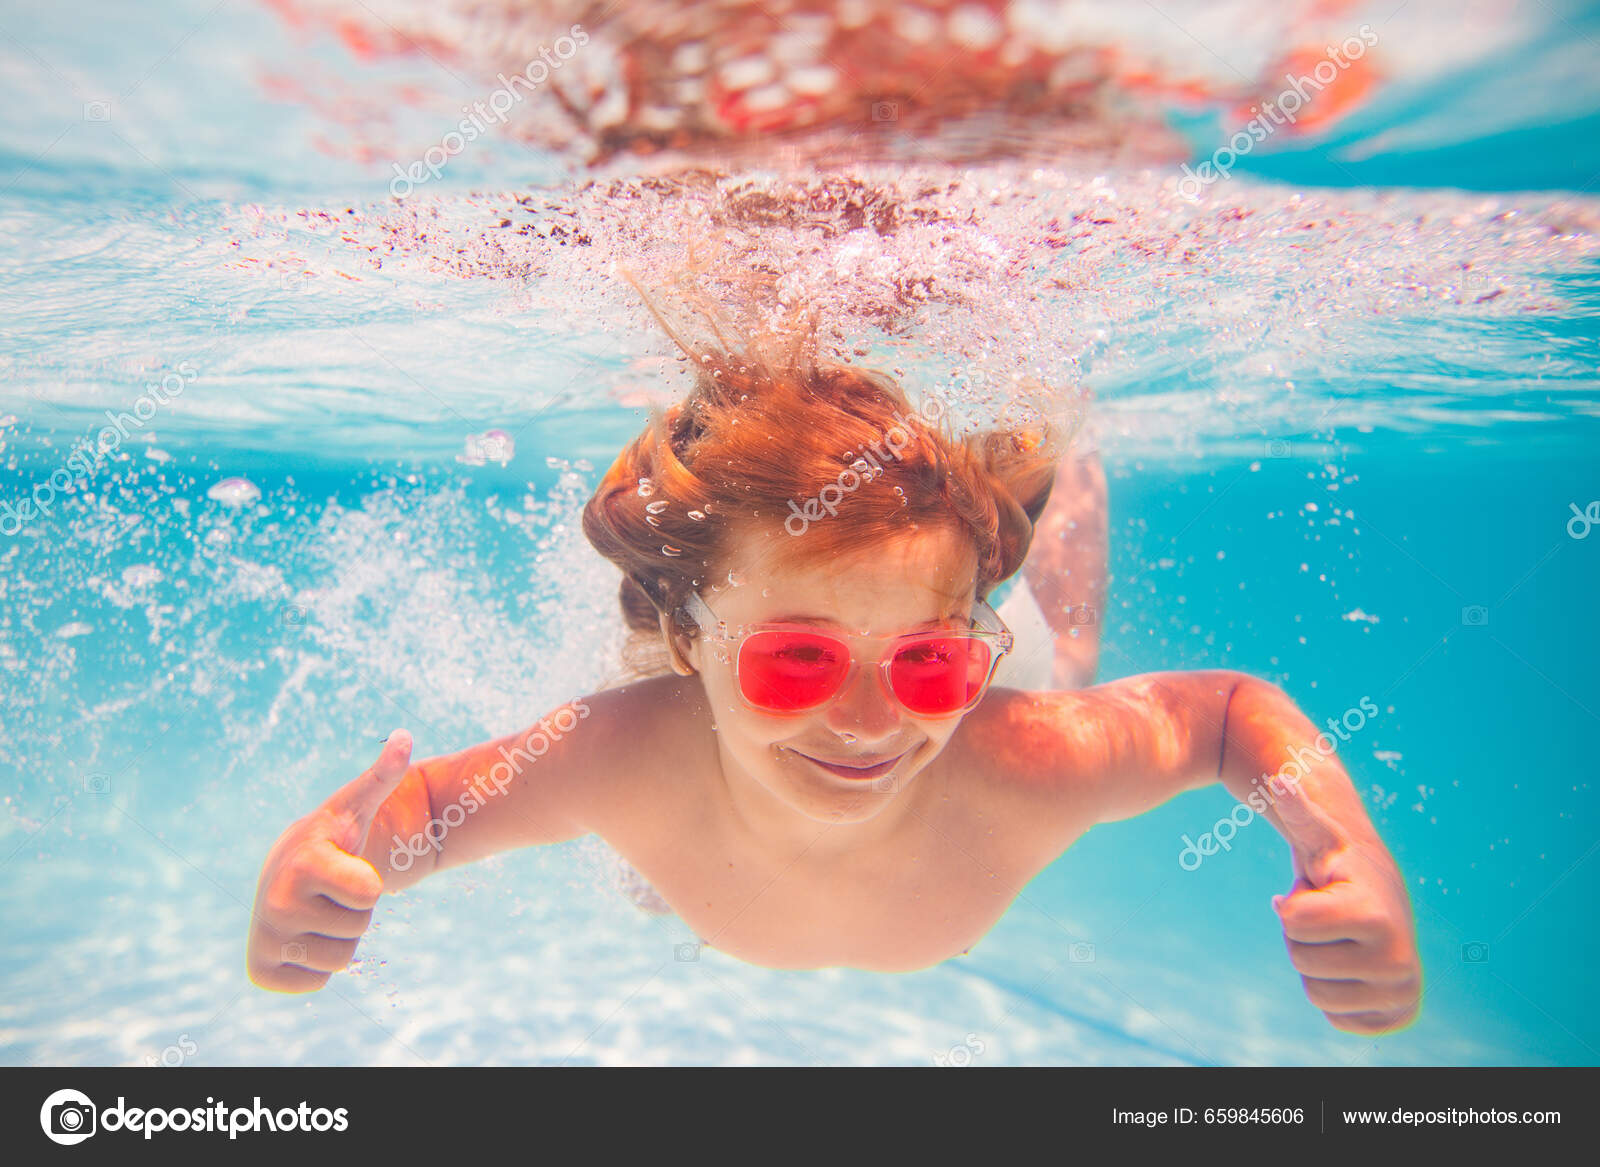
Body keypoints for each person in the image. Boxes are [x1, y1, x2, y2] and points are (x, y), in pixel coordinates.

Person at [246, 291, 1421, 1037]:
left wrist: (1342, 848)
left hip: (995, 708)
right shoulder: (626, 751)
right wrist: (328, 864)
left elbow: (1224, 716)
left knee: (1058, 657)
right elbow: (438, 812)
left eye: (927, 665)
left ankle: (1052, 495)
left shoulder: (1025, 760)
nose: (869, 722)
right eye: (799, 660)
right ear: (697, 641)